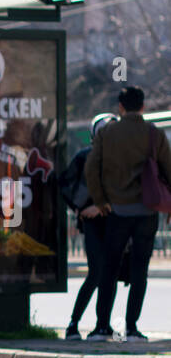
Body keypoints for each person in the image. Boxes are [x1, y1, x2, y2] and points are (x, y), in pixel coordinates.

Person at [84, 85, 171, 342]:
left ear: (120, 108)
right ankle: (132, 327)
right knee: (139, 269)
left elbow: (91, 168)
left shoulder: (107, 133)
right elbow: (169, 169)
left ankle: (102, 327)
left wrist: (100, 201)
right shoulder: (154, 134)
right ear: (143, 106)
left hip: (116, 211)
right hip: (147, 210)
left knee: (109, 268)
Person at [58, 113, 119, 340]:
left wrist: (103, 206)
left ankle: (103, 326)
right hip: (93, 224)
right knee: (96, 272)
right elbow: (65, 184)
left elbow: (128, 190)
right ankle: (74, 323)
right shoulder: (85, 156)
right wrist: (79, 208)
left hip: (116, 222)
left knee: (110, 274)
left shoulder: (124, 158)